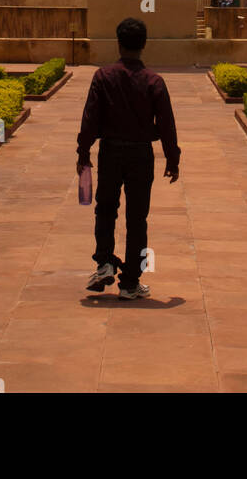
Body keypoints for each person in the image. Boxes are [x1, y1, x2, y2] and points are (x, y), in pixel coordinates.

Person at [77, 18, 180, 300]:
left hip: (110, 150)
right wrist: (172, 158)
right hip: (140, 154)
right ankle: (131, 281)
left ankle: (105, 263)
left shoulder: (103, 77)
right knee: (138, 218)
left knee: (105, 208)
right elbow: (167, 123)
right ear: (143, 45)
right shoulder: (153, 81)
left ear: (118, 43)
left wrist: (83, 152)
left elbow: (90, 118)